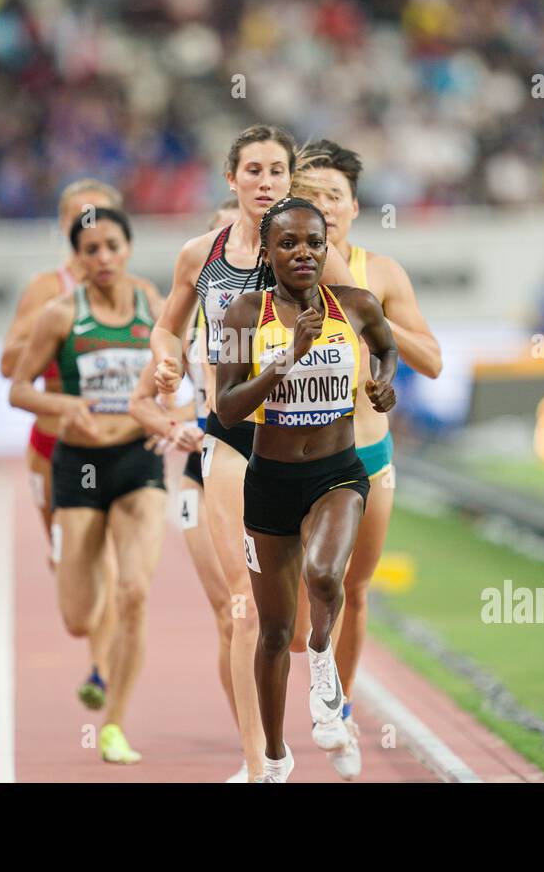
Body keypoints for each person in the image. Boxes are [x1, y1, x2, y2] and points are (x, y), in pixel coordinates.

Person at [149, 126, 356, 781]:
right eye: (254, 170)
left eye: (277, 171)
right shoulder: (199, 255)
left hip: (306, 441)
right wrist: (162, 359)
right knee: (243, 604)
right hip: (233, 436)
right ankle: (263, 759)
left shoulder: (309, 249)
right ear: (231, 178)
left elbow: (361, 318)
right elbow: (168, 324)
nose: (266, 181)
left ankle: (323, 678)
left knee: (307, 596)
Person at [214, 195, 397, 782]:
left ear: (328, 250)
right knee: (271, 632)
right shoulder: (246, 314)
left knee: (325, 576)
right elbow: (226, 410)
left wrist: (384, 383)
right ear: (267, 253)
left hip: (337, 472)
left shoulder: (357, 307)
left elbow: (388, 350)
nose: (304, 253)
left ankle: (323, 661)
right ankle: (273, 757)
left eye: (315, 243)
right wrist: (284, 361)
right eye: (288, 243)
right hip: (270, 482)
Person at [289, 141, 443, 779]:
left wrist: (363, 303)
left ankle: (339, 710)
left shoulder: (380, 272)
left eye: (333, 195)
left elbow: (431, 361)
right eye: (310, 193)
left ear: (352, 207)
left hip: (368, 455)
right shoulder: (277, 270)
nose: (323, 204)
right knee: (298, 623)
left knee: (351, 589)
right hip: (291, 459)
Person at [8, 207, 166, 765]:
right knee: (79, 617)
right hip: (79, 466)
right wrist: (64, 405)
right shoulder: (59, 315)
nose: (103, 258)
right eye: (91, 249)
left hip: (139, 463)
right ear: (77, 257)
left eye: (112, 246)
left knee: (136, 592)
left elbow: (188, 374)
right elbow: (18, 389)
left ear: (129, 248)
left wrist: (176, 417)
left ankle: (115, 725)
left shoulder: (155, 306)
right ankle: (95, 602)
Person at [129, 197, 249, 782]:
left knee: (277, 620)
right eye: (222, 236)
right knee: (231, 614)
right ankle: (253, 746)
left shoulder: (276, 314)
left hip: (264, 468)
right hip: (199, 477)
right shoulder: (189, 327)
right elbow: (140, 404)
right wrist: (178, 427)